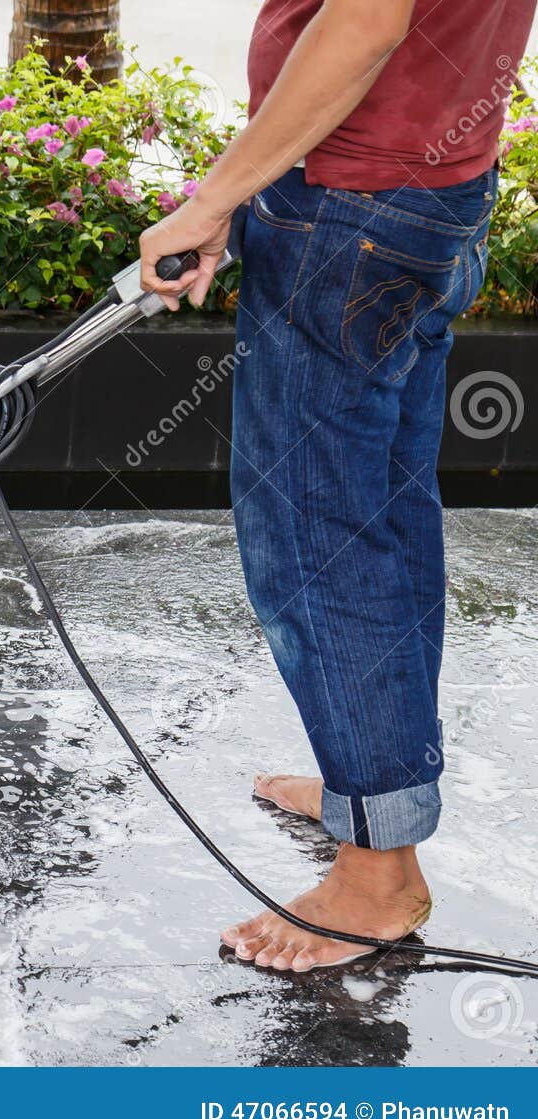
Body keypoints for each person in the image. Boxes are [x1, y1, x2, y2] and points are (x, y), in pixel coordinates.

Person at [138, 0, 536, 972]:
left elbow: (362, 22)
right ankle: (374, 794)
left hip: (347, 206)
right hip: (432, 189)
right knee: (386, 515)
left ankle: (376, 878)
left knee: (317, 534)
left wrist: (214, 198)